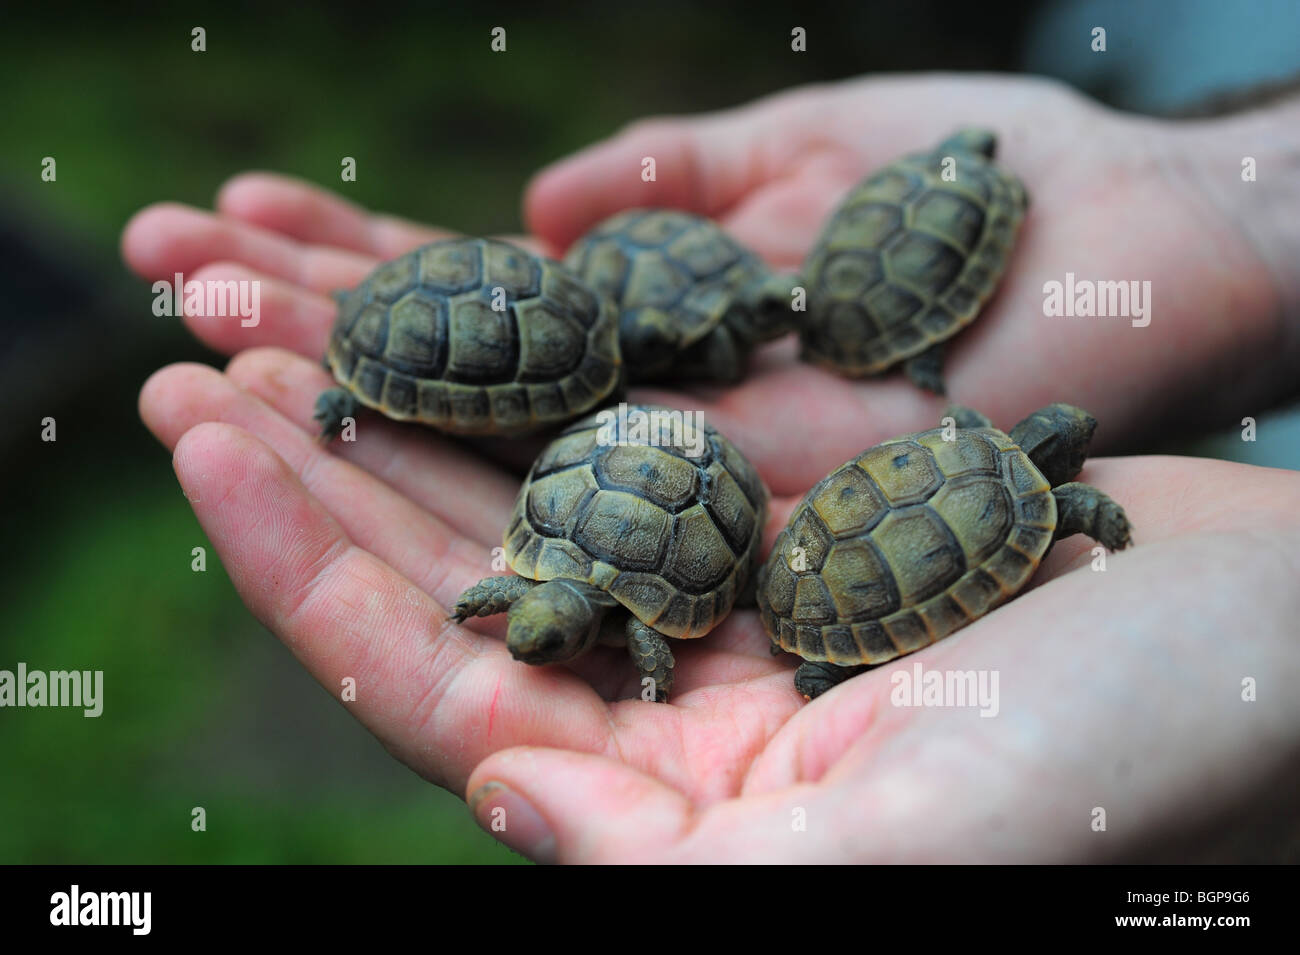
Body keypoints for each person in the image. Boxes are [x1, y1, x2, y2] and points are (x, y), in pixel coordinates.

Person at [122, 75, 1300, 862]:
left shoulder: (1016, 478)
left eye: (521, 628)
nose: (526, 643)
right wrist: (1223, 206)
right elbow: (563, 611)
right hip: (670, 512)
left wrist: (1217, 210)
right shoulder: (547, 591)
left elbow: (1082, 510)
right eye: (526, 629)